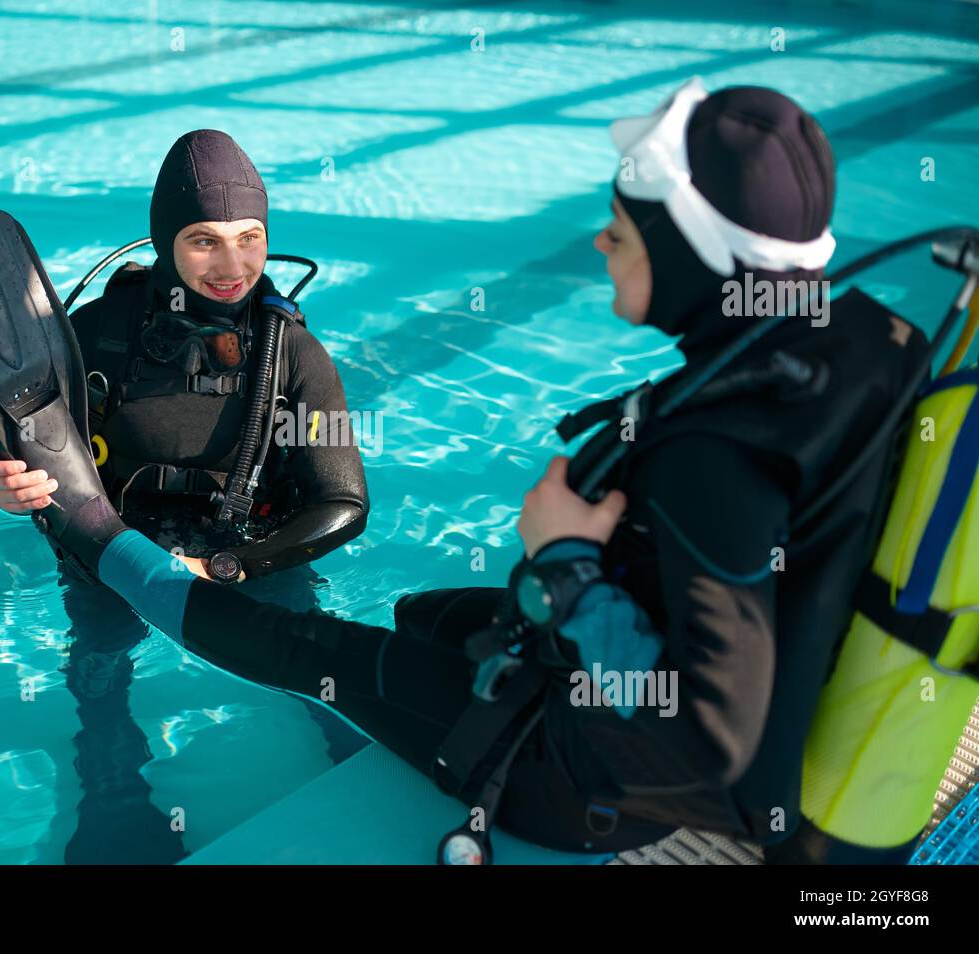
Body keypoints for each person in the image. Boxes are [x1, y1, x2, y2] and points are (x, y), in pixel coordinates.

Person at [55, 79, 932, 860]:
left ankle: (316, 754)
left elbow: (708, 743)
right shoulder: (847, 351)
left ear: (688, 250)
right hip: (591, 675)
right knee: (423, 617)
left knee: (308, 650)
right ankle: (126, 769)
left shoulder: (713, 455)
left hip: (577, 773)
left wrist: (568, 567)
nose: (597, 243)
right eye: (203, 240)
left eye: (622, 230)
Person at [0, 129, 372, 861]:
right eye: (203, 241)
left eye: (251, 238)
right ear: (164, 240)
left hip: (254, 551)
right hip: (114, 545)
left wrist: (230, 569)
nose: (234, 265)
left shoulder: (297, 354)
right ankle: (113, 798)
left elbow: (341, 504)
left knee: (309, 663)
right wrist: (8, 490)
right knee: (101, 664)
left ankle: (366, 756)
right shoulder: (93, 337)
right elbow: (37, 458)